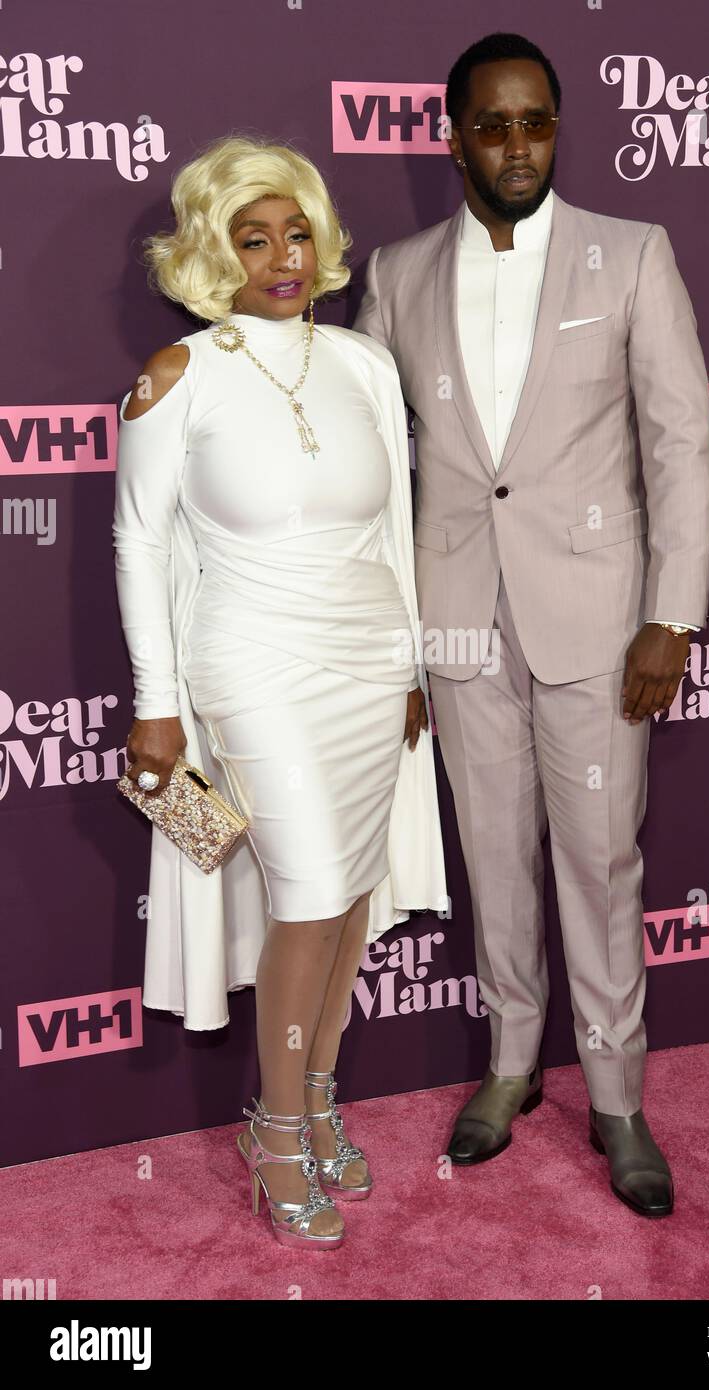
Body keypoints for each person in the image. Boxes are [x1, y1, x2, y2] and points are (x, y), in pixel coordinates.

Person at [354, 32, 709, 1218]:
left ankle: (616, 1096)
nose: (517, 146)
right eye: (493, 125)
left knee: (600, 859)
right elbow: (365, 466)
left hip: (598, 621)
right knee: (494, 854)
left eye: (536, 122)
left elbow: (679, 444)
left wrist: (671, 615)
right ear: (452, 137)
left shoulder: (632, 253)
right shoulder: (397, 274)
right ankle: (511, 1064)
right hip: (458, 622)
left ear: (558, 128)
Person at [112, 135, 447, 1249]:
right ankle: (278, 1132)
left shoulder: (363, 365)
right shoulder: (179, 375)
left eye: (296, 233)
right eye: (251, 239)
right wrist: (156, 703)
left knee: (349, 897)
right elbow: (138, 544)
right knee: (306, 897)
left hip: (368, 664)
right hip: (253, 666)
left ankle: (316, 1096)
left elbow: (393, 530)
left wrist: (410, 664)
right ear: (213, 255)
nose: (283, 257)